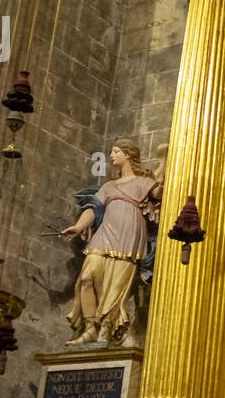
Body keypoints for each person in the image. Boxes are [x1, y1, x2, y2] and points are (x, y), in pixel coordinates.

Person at [62, 140, 161, 346]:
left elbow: (160, 194)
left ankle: (105, 332)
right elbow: (93, 208)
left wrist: (167, 162)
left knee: (116, 288)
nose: (111, 156)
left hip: (129, 238)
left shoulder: (142, 183)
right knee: (87, 278)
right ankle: (90, 327)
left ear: (128, 155)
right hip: (104, 236)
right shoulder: (108, 186)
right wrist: (79, 227)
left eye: (116, 152)